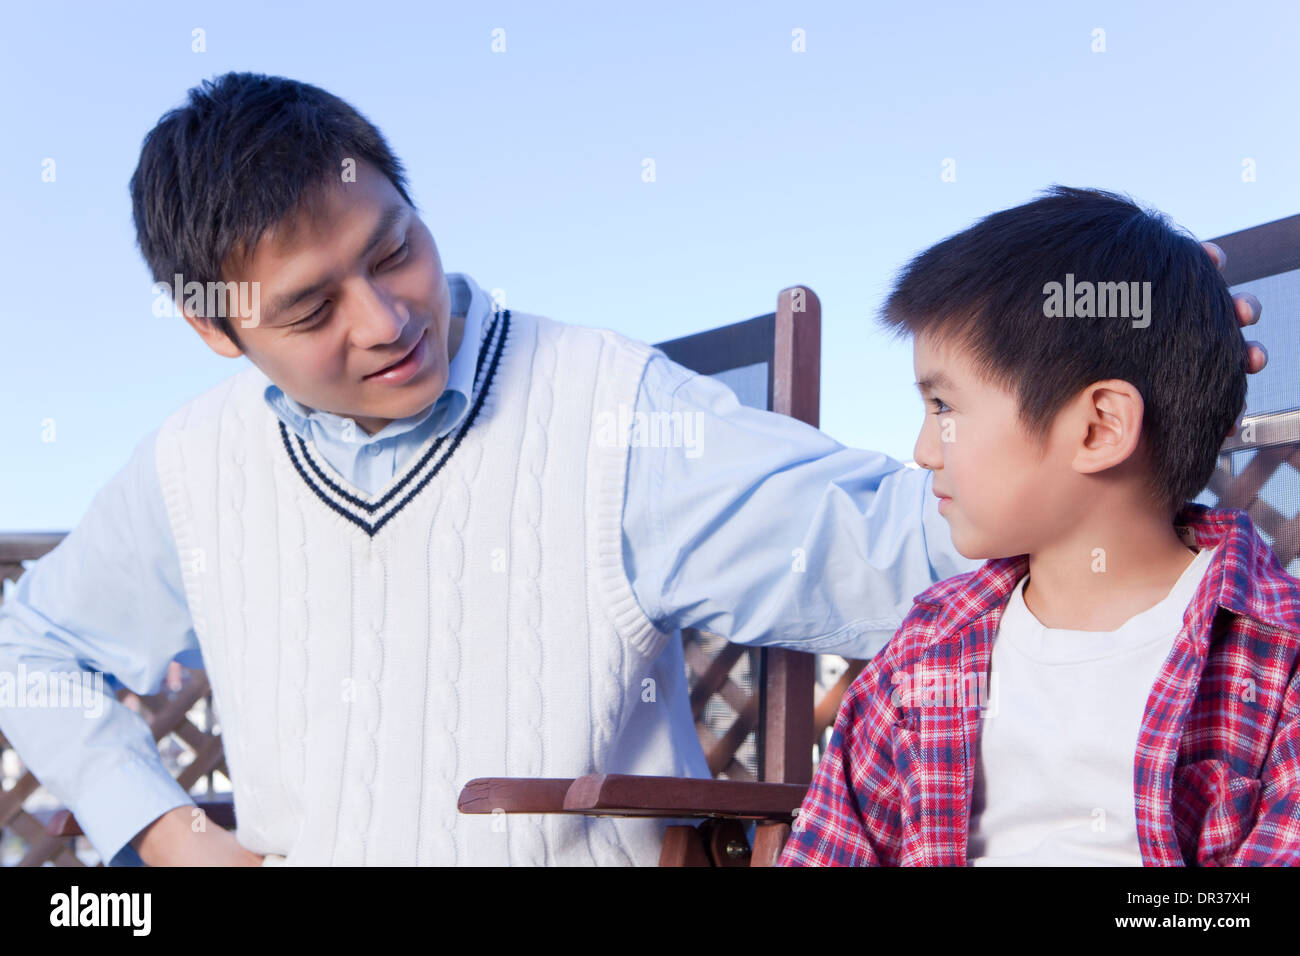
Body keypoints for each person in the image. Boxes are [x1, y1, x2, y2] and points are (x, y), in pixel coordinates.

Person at [0, 74, 1266, 867]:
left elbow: (931, 547)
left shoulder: (610, 414)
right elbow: (29, 648)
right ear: (217, 331)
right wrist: (161, 827)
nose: (385, 319)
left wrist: (1127, 358)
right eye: (310, 306)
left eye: (393, 251)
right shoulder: (192, 463)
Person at [779, 186, 1298, 867]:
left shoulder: (1276, 660)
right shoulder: (926, 648)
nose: (923, 451)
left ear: (1099, 428)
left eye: (943, 407)